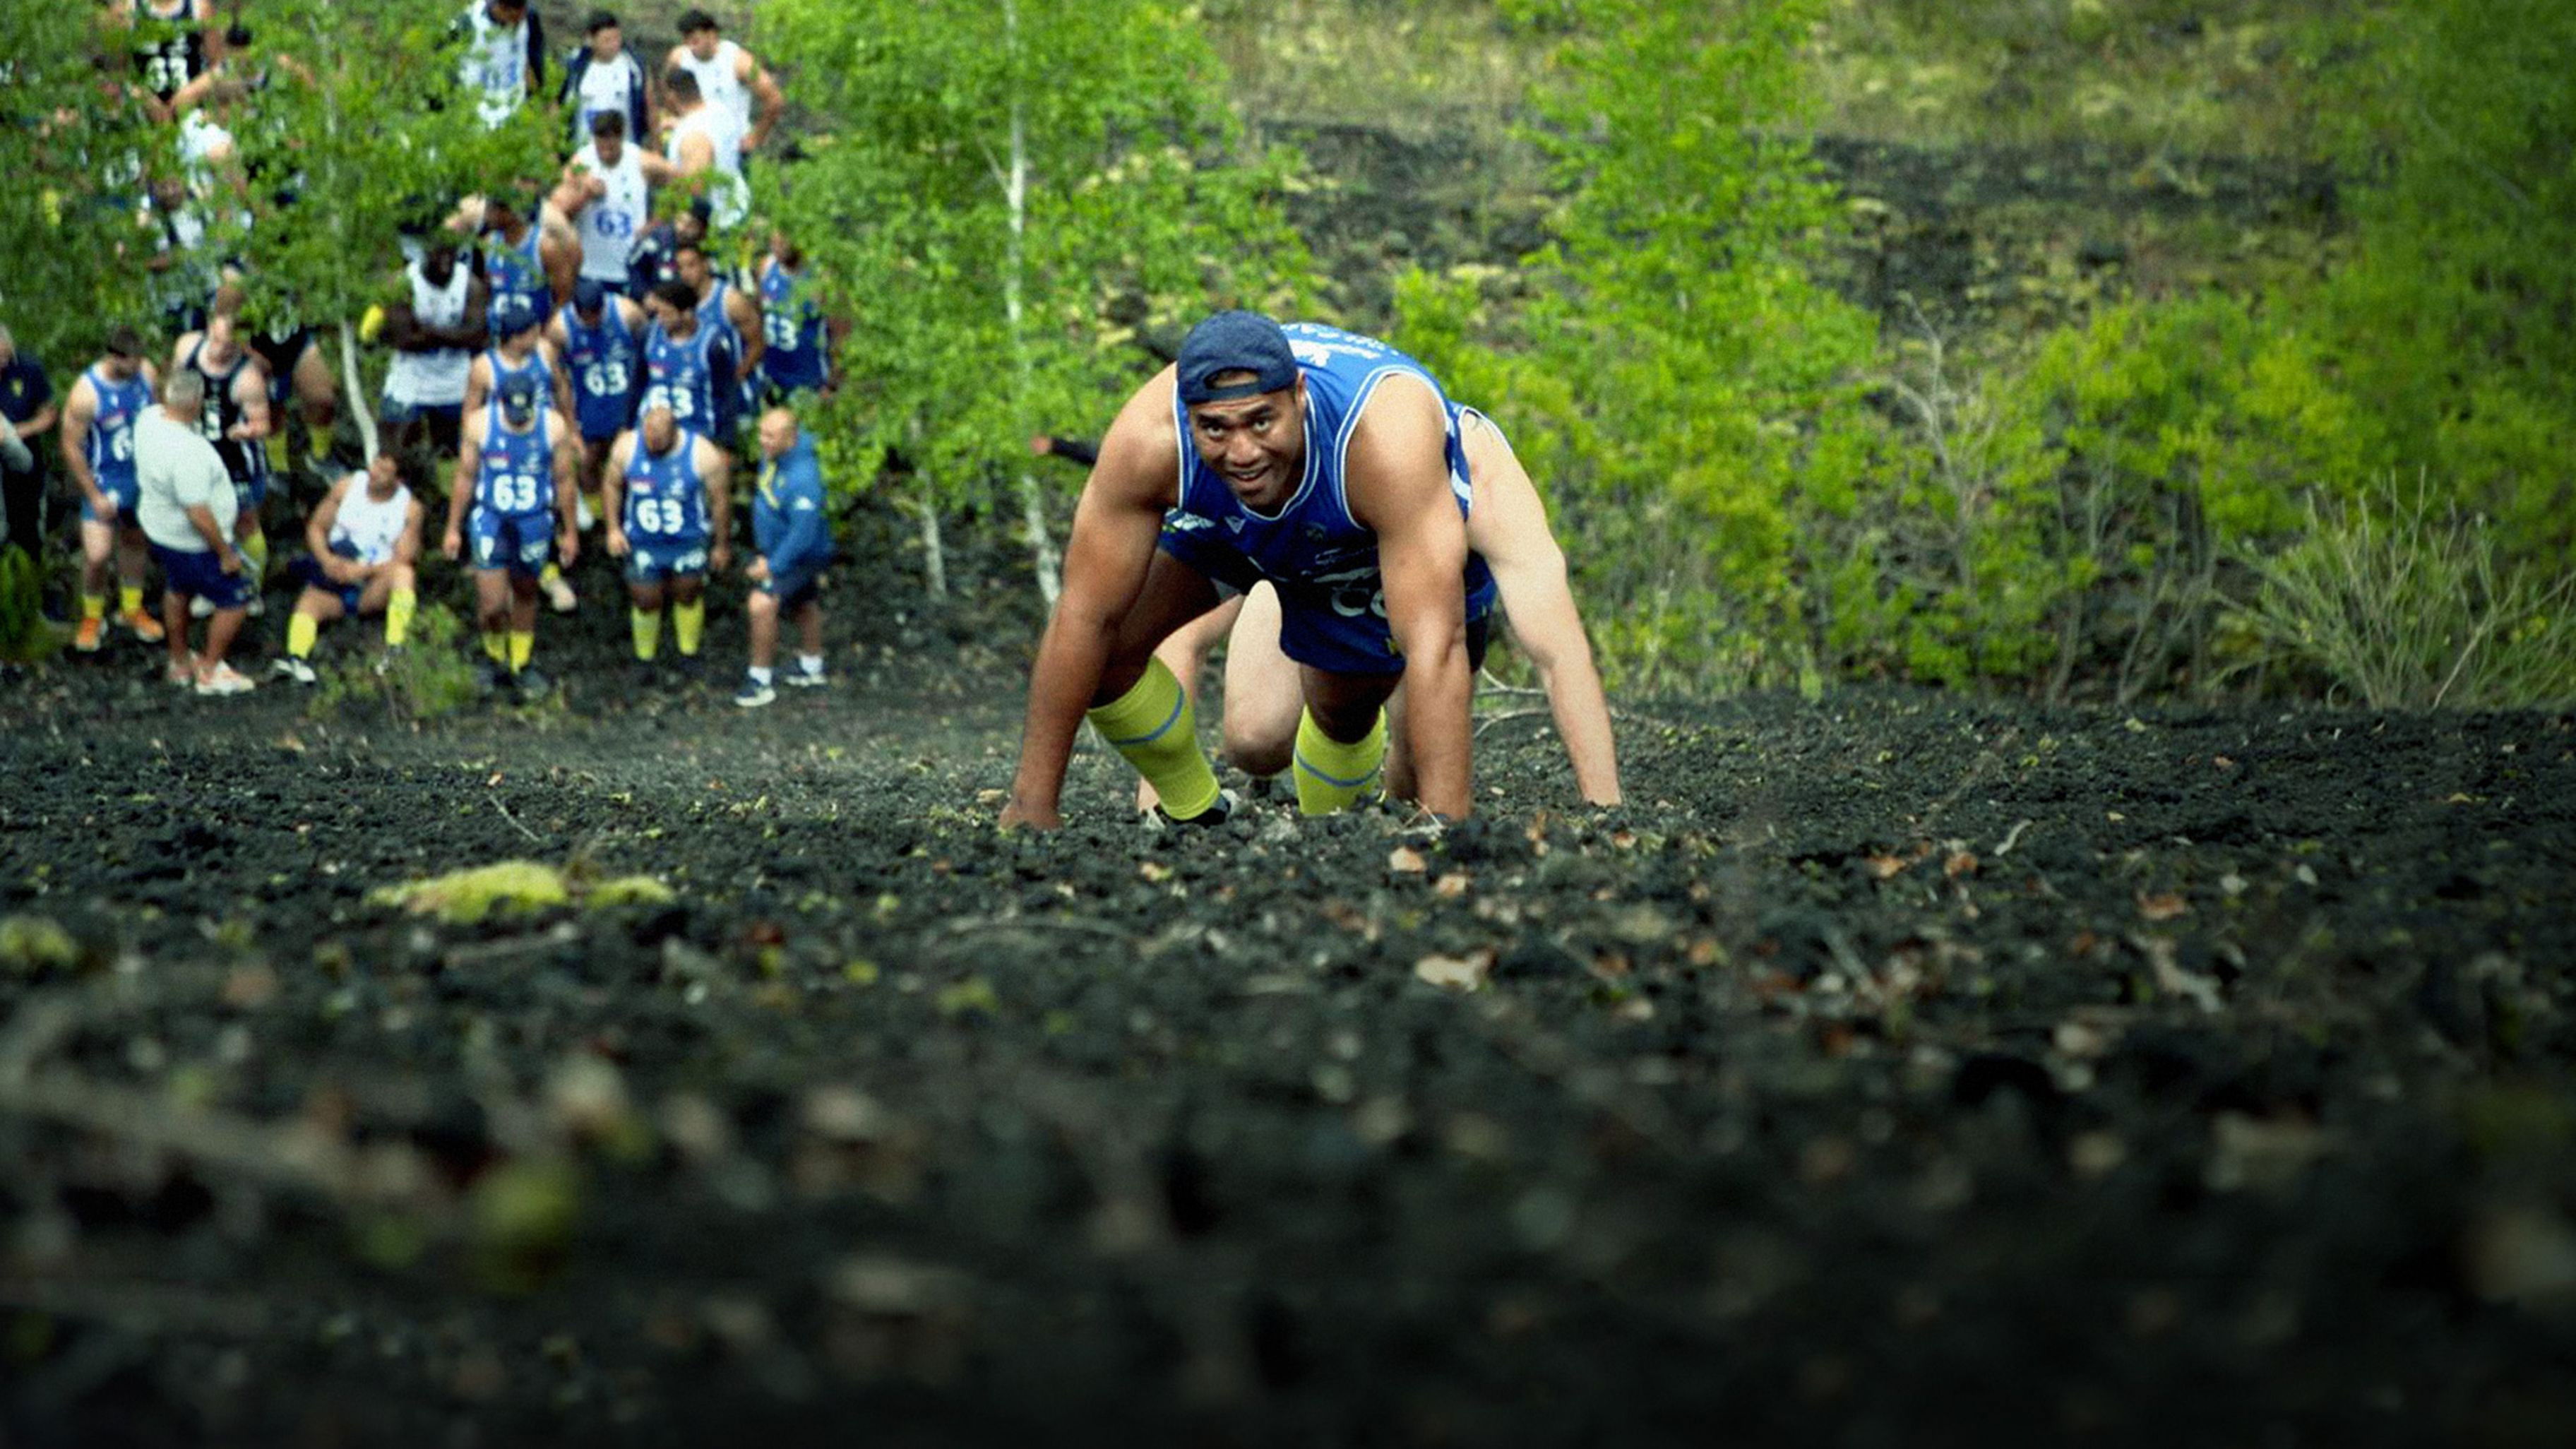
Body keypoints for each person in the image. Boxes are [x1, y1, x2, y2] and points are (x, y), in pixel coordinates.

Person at [999, 313, 1496, 830]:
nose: (1242, 452)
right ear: (1187, 418)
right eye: (1214, 428)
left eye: (1261, 421)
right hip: (1226, 521)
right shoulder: (1150, 439)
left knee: (1342, 709)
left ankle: (1332, 826)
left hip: (1350, 530)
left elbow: (1436, 645)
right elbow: (1082, 615)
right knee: (1103, 657)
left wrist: (1447, 830)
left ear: (1299, 396)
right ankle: (1196, 809)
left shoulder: (1381, 439)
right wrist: (1031, 805)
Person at [1141, 410, 1623, 811]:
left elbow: (1561, 655)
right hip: (1319, 571)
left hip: (1438, 596)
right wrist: (1163, 799)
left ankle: (1352, 785)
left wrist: (1606, 812)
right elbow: (1178, 634)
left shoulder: (1485, 484)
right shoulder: (1308, 467)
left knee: (1414, 780)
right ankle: (1336, 729)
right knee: (1255, 740)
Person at [441, 373, 578, 700]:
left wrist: (569, 531)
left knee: (526, 591)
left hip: (534, 519)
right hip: (491, 517)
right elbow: (466, 476)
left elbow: (564, 481)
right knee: (492, 603)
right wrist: (452, 527)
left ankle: (521, 661)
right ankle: (493, 655)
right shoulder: (480, 425)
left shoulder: (553, 427)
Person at [134, 368, 255, 694]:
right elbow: (198, 512)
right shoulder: (189, 452)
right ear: (197, 403)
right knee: (235, 598)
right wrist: (226, 553)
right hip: (193, 543)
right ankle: (211, 669)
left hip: (160, 532)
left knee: (179, 589)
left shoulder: (147, 421)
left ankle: (179, 662)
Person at [463, 297, 581, 614]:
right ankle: (489, 564)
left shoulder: (544, 353)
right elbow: (471, 412)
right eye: (531, 332)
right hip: (502, 445)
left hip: (543, 441)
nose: (538, 335)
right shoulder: (485, 368)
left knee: (549, 505)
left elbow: (561, 388)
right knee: (491, 504)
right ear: (515, 336)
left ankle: (550, 571)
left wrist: (572, 430)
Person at [601, 402, 729, 684]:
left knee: (688, 592)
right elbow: (611, 484)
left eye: (659, 439)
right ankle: (644, 658)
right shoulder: (627, 447)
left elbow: (720, 501)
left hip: (688, 537)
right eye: (648, 436)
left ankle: (689, 654)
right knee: (645, 598)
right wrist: (612, 528)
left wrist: (721, 544)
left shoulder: (702, 453)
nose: (652, 443)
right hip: (643, 539)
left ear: (674, 432)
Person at [56, 326, 165, 650]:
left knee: (135, 541)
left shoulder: (146, 374)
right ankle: (92, 615)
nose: (138, 365)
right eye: (131, 360)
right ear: (115, 357)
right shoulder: (86, 393)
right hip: (105, 480)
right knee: (98, 553)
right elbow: (71, 446)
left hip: (139, 475)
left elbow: (159, 413)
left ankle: (132, 608)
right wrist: (92, 493)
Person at [273, 452, 423, 684]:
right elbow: (316, 528)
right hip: (334, 572)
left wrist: (363, 571)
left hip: (371, 583)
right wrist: (326, 560)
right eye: (375, 465)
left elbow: (403, 559)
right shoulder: (347, 486)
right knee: (309, 603)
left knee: (404, 575)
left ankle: (395, 647)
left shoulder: (409, 508)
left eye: (384, 471)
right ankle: (296, 657)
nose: (375, 473)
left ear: (399, 479)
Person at [169, 313, 274, 614]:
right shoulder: (187, 348)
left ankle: (251, 585)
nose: (219, 350)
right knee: (202, 523)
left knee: (244, 522)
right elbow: (173, 384)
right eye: (215, 341)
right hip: (194, 457)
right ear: (207, 331)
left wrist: (246, 431)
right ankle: (211, 586)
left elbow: (263, 424)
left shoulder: (247, 377)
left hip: (235, 462)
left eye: (228, 346)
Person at [734, 406, 832, 707]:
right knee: (804, 602)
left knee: (762, 604)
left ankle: (760, 679)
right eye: (761, 433)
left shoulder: (804, 478)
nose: (763, 441)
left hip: (801, 554)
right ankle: (811, 666)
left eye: (770, 436)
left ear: (791, 438)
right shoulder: (776, 454)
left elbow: (803, 533)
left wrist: (773, 567)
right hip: (777, 546)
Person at [375, 237, 489, 458]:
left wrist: (427, 331)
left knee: (453, 451)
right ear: (425, 253)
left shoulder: (470, 284)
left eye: (451, 254)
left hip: (455, 381)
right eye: (439, 255)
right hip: (410, 380)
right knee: (394, 452)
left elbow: (478, 337)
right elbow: (405, 340)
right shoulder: (403, 283)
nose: (446, 262)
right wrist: (456, 334)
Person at [547, 278, 647, 519]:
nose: (592, 320)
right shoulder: (560, 329)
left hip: (625, 398)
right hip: (588, 401)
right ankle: (598, 516)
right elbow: (559, 381)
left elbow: (648, 350)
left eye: (596, 314)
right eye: (586, 316)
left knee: (628, 458)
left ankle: (627, 511)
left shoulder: (627, 313)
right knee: (588, 458)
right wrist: (571, 429)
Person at [554, 112, 676, 298]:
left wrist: (658, 222)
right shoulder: (581, 163)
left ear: (621, 136)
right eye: (600, 140)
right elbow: (558, 208)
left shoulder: (641, 161)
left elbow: (683, 183)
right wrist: (585, 194)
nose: (606, 148)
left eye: (611, 140)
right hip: (591, 266)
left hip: (629, 265)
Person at [662, 10, 782, 163]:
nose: (690, 47)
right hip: (695, 143)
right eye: (686, 42)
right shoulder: (679, 58)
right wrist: (677, 118)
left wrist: (756, 138)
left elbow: (774, 98)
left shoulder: (738, 61)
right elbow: (669, 89)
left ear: (711, 35)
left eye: (695, 41)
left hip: (731, 146)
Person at [638, 278, 737, 452]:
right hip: (654, 429)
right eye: (658, 313)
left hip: (697, 430)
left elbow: (726, 393)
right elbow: (637, 383)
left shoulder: (712, 345)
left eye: (667, 314)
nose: (660, 320)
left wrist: (726, 442)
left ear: (686, 313)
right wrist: (627, 425)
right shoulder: (649, 335)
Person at [754, 231, 839, 402]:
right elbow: (759, 314)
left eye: (783, 243)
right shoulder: (767, 267)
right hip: (774, 374)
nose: (778, 249)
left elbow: (841, 334)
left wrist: (833, 383)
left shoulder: (821, 278)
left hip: (811, 380)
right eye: (774, 244)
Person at [661, 67, 748, 233]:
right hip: (736, 209)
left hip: (714, 225)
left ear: (672, 96)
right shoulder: (719, 110)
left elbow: (695, 188)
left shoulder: (692, 137)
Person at [114, 0, 225, 127]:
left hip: (191, 112)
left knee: (219, 146)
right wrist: (142, 97)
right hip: (140, 114)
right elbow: (115, 71)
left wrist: (192, 92)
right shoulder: (128, 8)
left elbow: (219, 66)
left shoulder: (199, 7)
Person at [1, 324, 58, 570]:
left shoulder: (29, 368)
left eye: (5, 355)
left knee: (28, 527)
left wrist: (16, 433)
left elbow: (49, 414)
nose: (3, 362)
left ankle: (32, 581)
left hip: (25, 456)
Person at [674, 239, 762, 397]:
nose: (685, 273)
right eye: (681, 268)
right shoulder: (682, 304)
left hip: (736, 393)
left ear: (705, 265)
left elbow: (757, 343)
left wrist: (737, 378)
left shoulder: (730, 300)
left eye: (691, 265)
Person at [557, 9, 650, 154]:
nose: (614, 45)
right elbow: (559, 106)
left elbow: (649, 105)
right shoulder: (575, 68)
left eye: (617, 39)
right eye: (607, 41)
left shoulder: (633, 68)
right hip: (584, 151)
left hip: (625, 150)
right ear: (590, 39)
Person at [451, 0, 546, 131]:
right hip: (474, 111)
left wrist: (536, 100)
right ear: (501, 8)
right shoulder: (471, 21)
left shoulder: (529, 18)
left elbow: (536, 65)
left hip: (514, 111)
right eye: (513, 18)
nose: (516, 23)